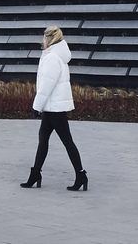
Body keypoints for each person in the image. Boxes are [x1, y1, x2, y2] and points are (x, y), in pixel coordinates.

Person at [20, 26, 86, 192]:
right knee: (43, 138)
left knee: (66, 141)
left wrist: (37, 105)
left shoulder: (52, 58)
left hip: (54, 107)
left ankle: (81, 174)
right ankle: (35, 173)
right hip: (52, 107)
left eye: (44, 37)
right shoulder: (56, 55)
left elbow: (47, 85)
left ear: (48, 39)